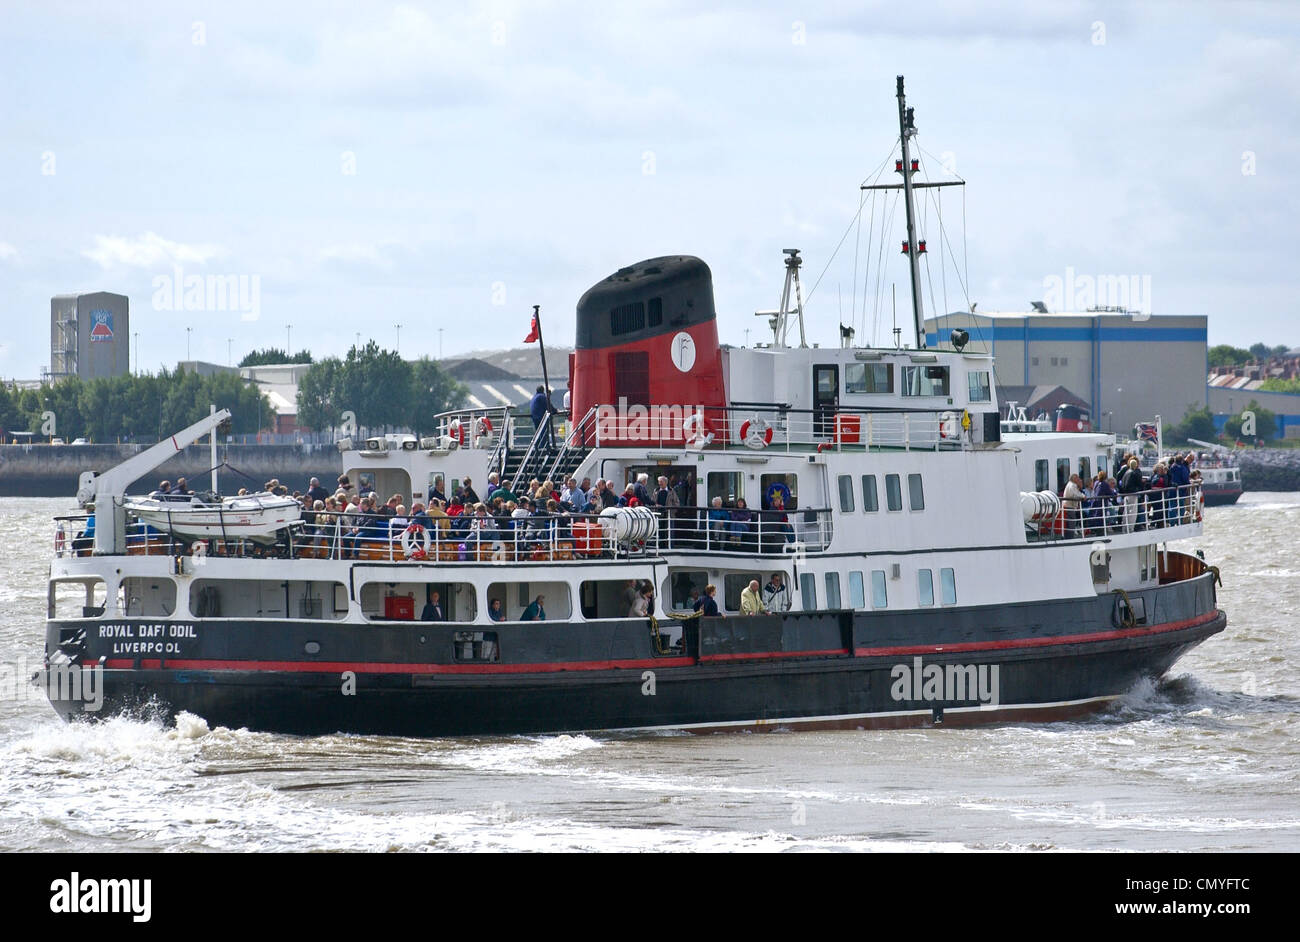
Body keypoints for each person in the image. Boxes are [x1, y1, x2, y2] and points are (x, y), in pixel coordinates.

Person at [530, 384, 555, 453]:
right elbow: (548, 405)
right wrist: (555, 410)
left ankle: (537, 446)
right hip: (540, 416)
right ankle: (544, 446)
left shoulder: (534, 397)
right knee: (544, 431)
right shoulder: (542, 396)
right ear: (543, 390)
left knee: (538, 431)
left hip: (534, 416)